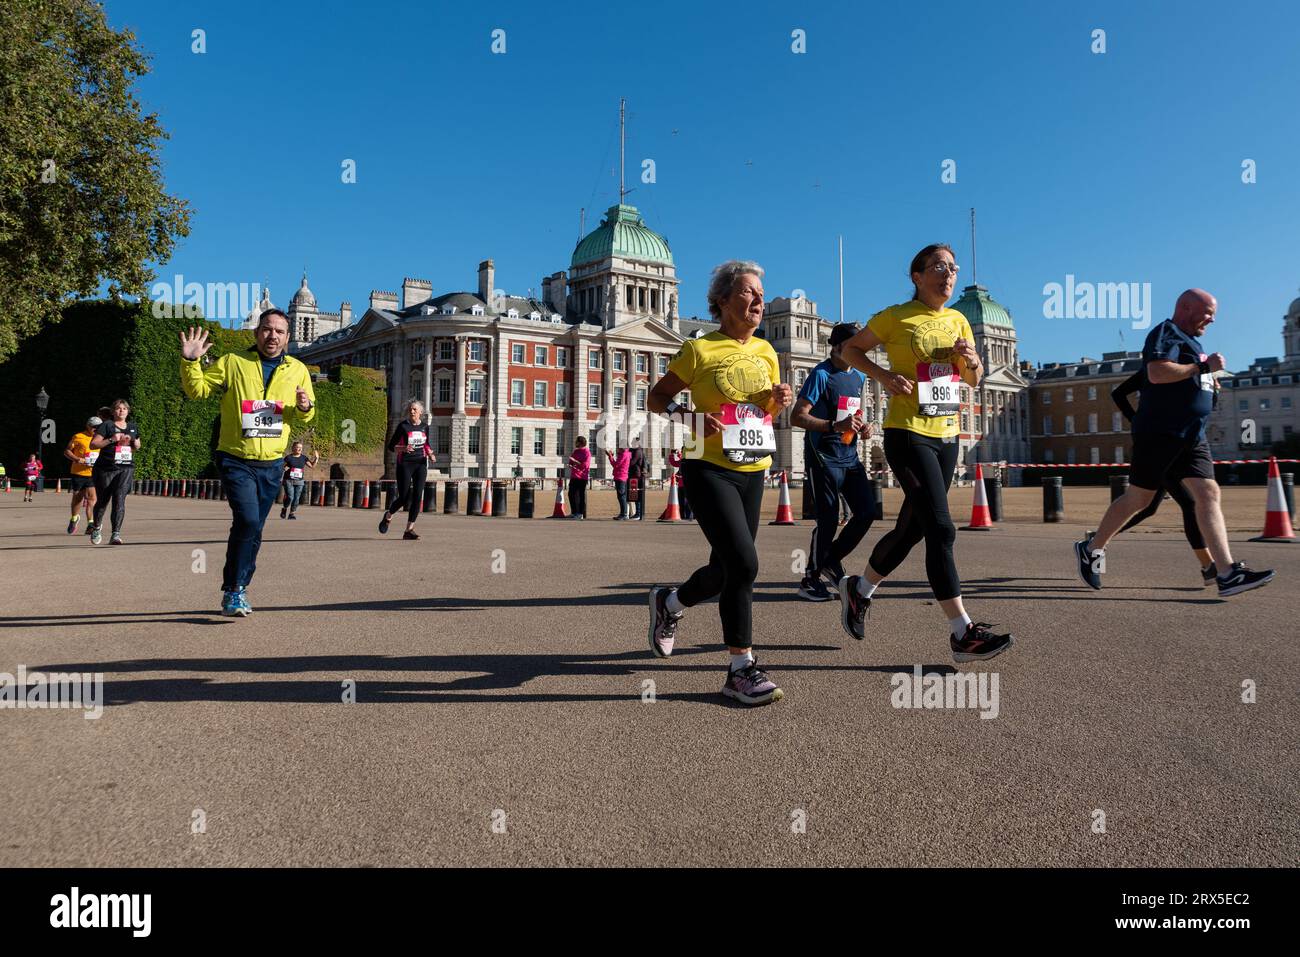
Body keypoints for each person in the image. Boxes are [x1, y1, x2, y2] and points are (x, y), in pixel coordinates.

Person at [838, 243, 1015, 662]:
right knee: (942, 529)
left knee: (912, 529)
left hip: (947, 435)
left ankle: (858, 590)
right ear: (917, 276)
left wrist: (970, 359)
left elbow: (972, 380)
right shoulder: (895, 316)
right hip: (907, 433)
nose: (947, 274)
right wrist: (884, 375)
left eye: (952, 268)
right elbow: (850, 350)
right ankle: (962, 632)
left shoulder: (958, 320)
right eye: (938, 267)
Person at [646, 260, 793, 705]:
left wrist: (777, 401)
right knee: (745, 565)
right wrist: (690, 416)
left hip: (752, 467)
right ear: (723, 300)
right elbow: (656, 397)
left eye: (762, 295)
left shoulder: (767, 352)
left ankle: (670, 603)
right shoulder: (699, 349)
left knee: (726, 567)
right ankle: (740, 668)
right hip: (705, 465)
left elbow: (762, 415)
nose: (758, 301)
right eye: (749, 292)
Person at [1074, 289, 1273, 597]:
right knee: (1139, 501)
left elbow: (1185, 379)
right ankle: (1092, 547)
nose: (1213, 318)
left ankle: (1226, 572)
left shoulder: (1194, 343)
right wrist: (1202, 369)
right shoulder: (1166, 333)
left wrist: (1205, 380)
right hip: (1161, 433)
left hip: (1192, 435)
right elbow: (1156, 372)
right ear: (1186, 307)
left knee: (1207, 494)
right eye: (1208, 312)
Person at [179, 311, 316, 616]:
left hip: (272, 463)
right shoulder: (232, 362)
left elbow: (304, 413)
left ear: (288, 337)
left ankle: (240, 585)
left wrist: (306, 407)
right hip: (235, 458)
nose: (273, 336)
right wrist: (191, 362)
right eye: (267, 329)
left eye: (280, 331)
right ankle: (233, 590)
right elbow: (197, 390)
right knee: (248, 521)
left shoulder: (298, 370)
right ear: (256, 333)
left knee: (255, 528)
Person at [790, 321, 875, 600]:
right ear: (838, 347)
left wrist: (864, 427)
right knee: (827, 520)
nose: (859, 351)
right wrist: (832, 426)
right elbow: (798, 416)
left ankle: (830, 558)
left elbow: (854, 414)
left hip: (849, 456)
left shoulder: (859, 377)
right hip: (822, 456)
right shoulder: (821, 374)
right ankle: (809, 578)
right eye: (854, 346)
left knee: (866, 513)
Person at [1110, 367, 1217, 585]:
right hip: (1157, 445)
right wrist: (1136, 421)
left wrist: (1214, 391)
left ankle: (1097, 538)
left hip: (1183, 445)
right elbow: (1118, 394)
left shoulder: (1194, 375)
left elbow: (1204, 410)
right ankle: (1209, 567)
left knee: (1149, 507)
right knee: (1189, 503)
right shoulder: (1157, 369)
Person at [88, 399, 140, 545]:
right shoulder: (107, 425)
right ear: (113, 411)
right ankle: (97, 527)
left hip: (125, 467)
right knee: (103, 501)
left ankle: (115, 534)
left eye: (124, 408)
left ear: (128, 411)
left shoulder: (132, 426)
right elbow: (93, 444)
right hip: (106, 468)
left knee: (119, 498)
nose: (121, 411)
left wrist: (134, 442)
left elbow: (137, 446)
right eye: (118, 408)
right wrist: (111, 439)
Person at [380, 399, 432, 539]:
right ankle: (388, 515)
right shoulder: (403, 426)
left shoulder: (425, 427)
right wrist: (403, 448)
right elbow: (391, 446)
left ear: (420, 412)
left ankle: (409, 530)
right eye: (410, 409)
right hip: (405, 464)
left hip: (421, 464)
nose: (412, 411)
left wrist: (431, 454)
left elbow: (426, 444)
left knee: (417, 496)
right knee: (404, 497)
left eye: (415, 409)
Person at [63, 415, 102, 534]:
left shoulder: (102, 439)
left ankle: (91, 523)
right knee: (78, 498)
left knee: (92, 499)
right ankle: (74, 518)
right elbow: (67, 451)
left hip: (93, 473)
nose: (95, 429)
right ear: (88, 426)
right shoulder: (78, 437)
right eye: (93, 426)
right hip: (79, 472)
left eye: (98, 427)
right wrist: (76, 459)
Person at [280, 440, 320, 520]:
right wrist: (284, 468)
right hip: (288, 480)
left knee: (296, 498)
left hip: (299, 481)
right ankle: (284, 508)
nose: (299, 449)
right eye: (297, 447)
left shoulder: (304, 458)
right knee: (290, 497)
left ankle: (292, 513)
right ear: (293, 448)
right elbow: (281, 467)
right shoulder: (288, 458)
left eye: (301, 448)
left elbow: (312, 466)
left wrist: (316, 458)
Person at [567, 436, 591, 520]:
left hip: (582, 477)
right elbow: (571, 462)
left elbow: (585, 465)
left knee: (581, 496)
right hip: (574, 476)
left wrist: (575, 461)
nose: (575, 443)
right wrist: (570, 463)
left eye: (576, 442)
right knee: (571, 494)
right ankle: (574, 512)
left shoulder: (586, 452)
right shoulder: (576, 451)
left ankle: (580, 513)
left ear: (580, 443)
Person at [667, 447, 694, 520]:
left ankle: (689, 516)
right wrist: (672, 455)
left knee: (687, 502)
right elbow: (674, 463)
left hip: (687, 484)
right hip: (681, 485)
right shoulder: (682, 460)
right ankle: (682, 516)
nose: (682, 452)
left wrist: (679, 454)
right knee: (681, 502)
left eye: (683, 451)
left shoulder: (689, 459)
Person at [607, 444, 631, 519]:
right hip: (623, 476)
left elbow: (615, 465)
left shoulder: (623, 455)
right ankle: (624, 513)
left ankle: (623, 514)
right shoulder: (627, 454)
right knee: (622, 496)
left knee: (621, 496)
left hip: (620, 476)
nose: (617, 449)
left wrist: (610, 456)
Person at [628, 440, 647, 521]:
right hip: (635, 473)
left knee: (637, 493)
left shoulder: (638, 451)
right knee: (635, 493)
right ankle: (638, 513)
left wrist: (626, 459)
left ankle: (638, 513)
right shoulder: (637, 450)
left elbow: (632, 462)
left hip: (636, 474)